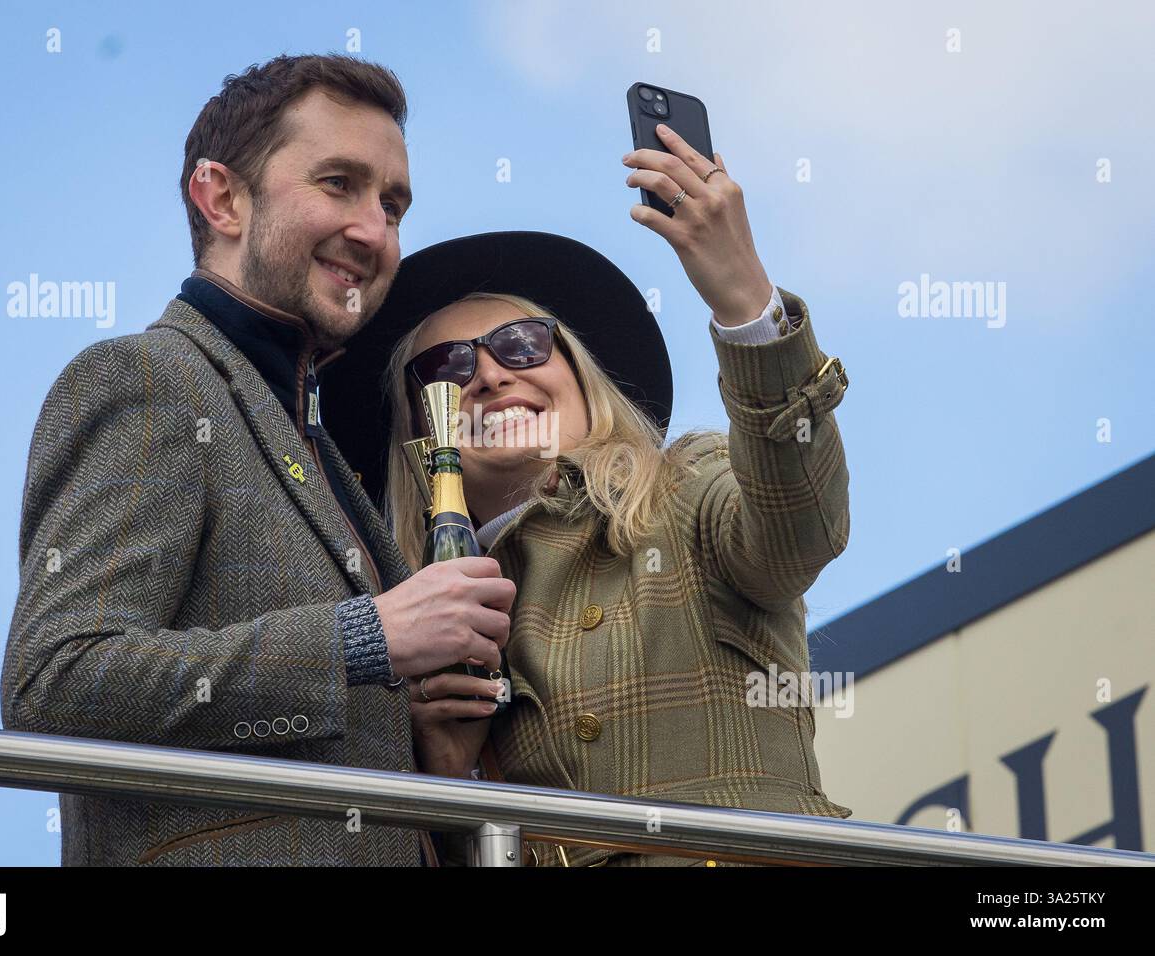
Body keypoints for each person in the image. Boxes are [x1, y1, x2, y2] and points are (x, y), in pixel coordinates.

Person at [0, 54, 515, 866]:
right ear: (222, 197)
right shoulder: (147, 378)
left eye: (393, 203)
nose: (375, 231)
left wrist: (428, 745)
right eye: (338, 183)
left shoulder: (314, 444)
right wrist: (362, 640)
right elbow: (56, 684)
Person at [323, 125, 853, 866]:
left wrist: (746, 304)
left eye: (522, 344)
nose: (490, 375)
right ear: (417, 436)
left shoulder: (690, 487)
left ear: (577, 374)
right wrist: (449, 774)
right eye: (445, 368)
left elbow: (804, 529)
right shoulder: (412, 629)